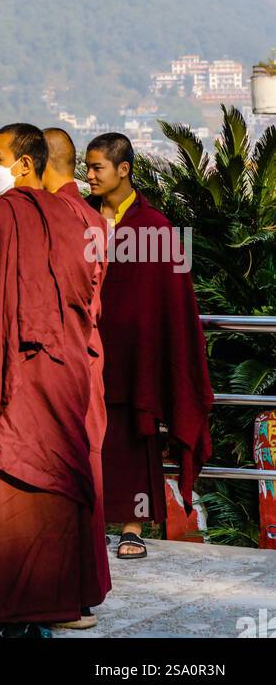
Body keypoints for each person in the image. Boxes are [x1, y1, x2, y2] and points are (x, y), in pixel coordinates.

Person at [0, 123, 100, 640]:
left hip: (4, 379)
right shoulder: (73, 217)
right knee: (52, 484)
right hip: (60, 375)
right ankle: (51, 603)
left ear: (24, 164)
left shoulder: (2, 214)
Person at [85, 133, 213, 561]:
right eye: (86, 167)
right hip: (85, 353)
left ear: (123, 169)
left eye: (97, 167)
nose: (89, 176)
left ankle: (132, 529)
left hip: (135, 356)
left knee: (133, 438)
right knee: (84, 439)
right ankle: (85, 526)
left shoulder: (154, 225)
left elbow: (175, 297)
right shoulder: (79, 219)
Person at [43, 126, 111, 625]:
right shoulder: (92, 218)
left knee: (63, 474)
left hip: (61, 360)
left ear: (41, 165)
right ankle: (81, 586)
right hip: (85, 356)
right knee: (85, 469)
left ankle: (67, 589)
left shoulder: (55, 219)